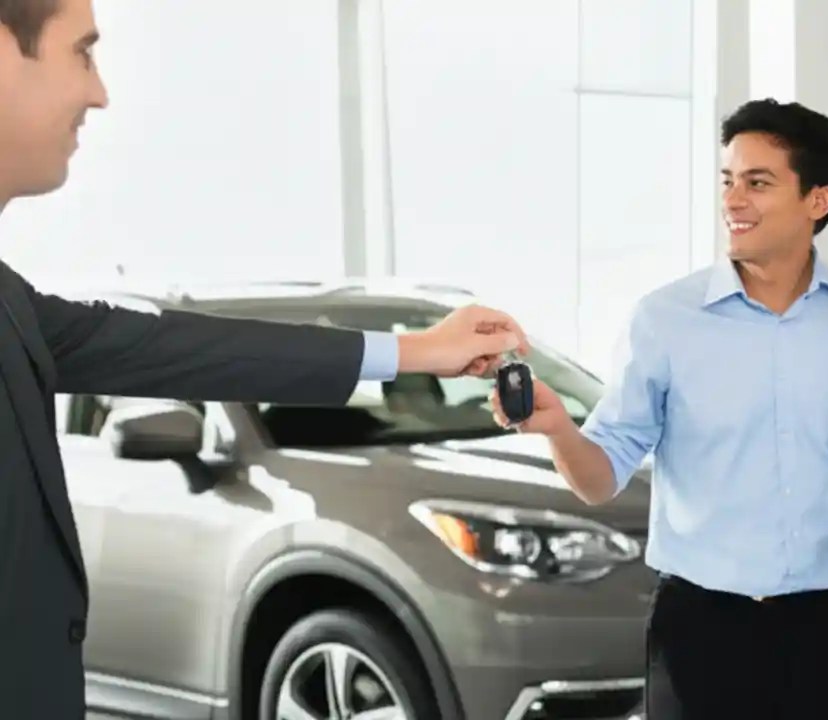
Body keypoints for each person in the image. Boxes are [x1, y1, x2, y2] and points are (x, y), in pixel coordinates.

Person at [0, 1, 529, 717]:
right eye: (83, 53)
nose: (100, 93)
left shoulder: (12, 302)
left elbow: (185, 349)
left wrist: (417, 351)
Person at [492, 98, 828, 718]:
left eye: (758, 182)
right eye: (728, 181)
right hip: (702, 632)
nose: (733, 200)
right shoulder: (667, 318)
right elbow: (600, 478)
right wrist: (558, 427)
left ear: (818, 200)